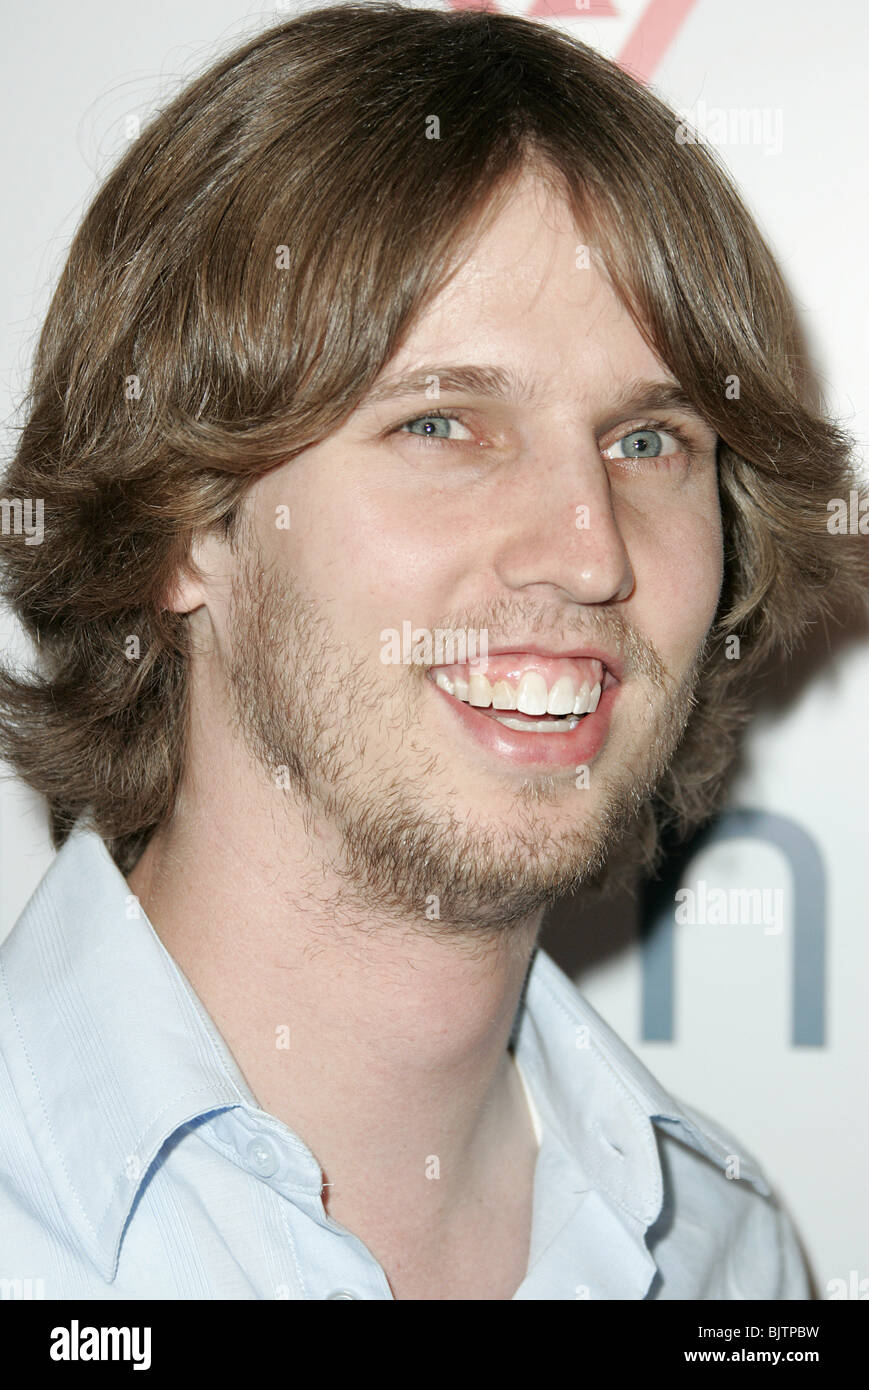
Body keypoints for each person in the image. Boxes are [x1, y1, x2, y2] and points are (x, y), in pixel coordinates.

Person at [0, 1, 863, 1301]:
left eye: (647, 442)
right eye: (444, 424)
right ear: (180, 522)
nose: (588, 553)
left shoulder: (722, 1259)